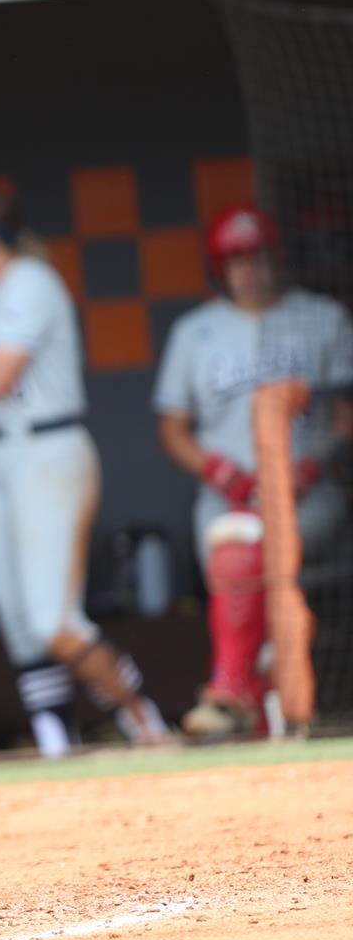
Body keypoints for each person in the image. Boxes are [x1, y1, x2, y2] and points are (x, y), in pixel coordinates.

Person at [0, 195, 169, 758]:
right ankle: (59, 745)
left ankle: (143, 720)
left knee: (52, 620)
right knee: (18, 623)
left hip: (48, 449)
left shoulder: (30, 281)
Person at [152, 204, 353, 738]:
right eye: (236, 259)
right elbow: (172, 428)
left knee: (246, 547)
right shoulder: (195, 332)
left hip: (306, 494)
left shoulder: (321, 317)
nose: (249, 269)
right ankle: (258, 692)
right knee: (236, 539)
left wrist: (314, 461)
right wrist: (220, 471)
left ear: (277, 259)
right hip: (227, 494)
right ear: (219, 266)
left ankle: (230, 690)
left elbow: (345, 413)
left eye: (258, 256)